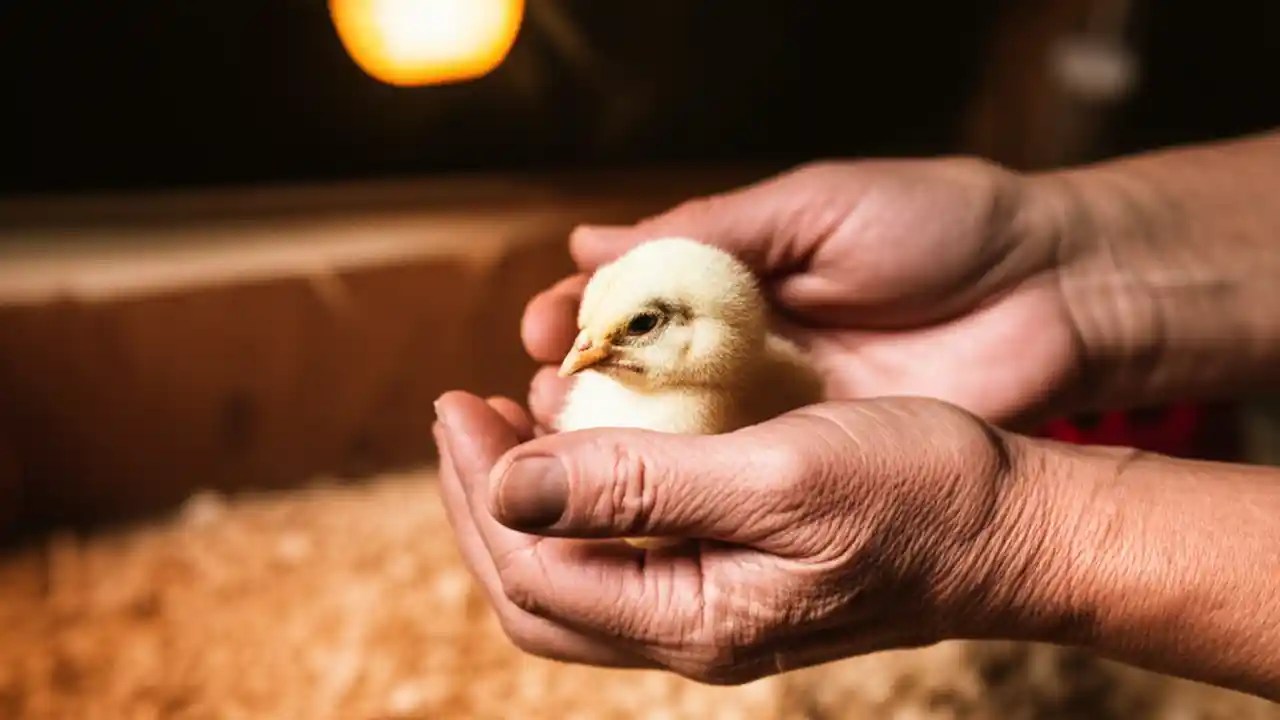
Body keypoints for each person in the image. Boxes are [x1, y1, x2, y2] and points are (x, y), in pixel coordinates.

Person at [432, 130, 1280, 700]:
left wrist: (1018, 534)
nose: (583, 356)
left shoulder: (750, 378)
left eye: (635, 329)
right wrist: (1061, 259)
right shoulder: (713, 372)